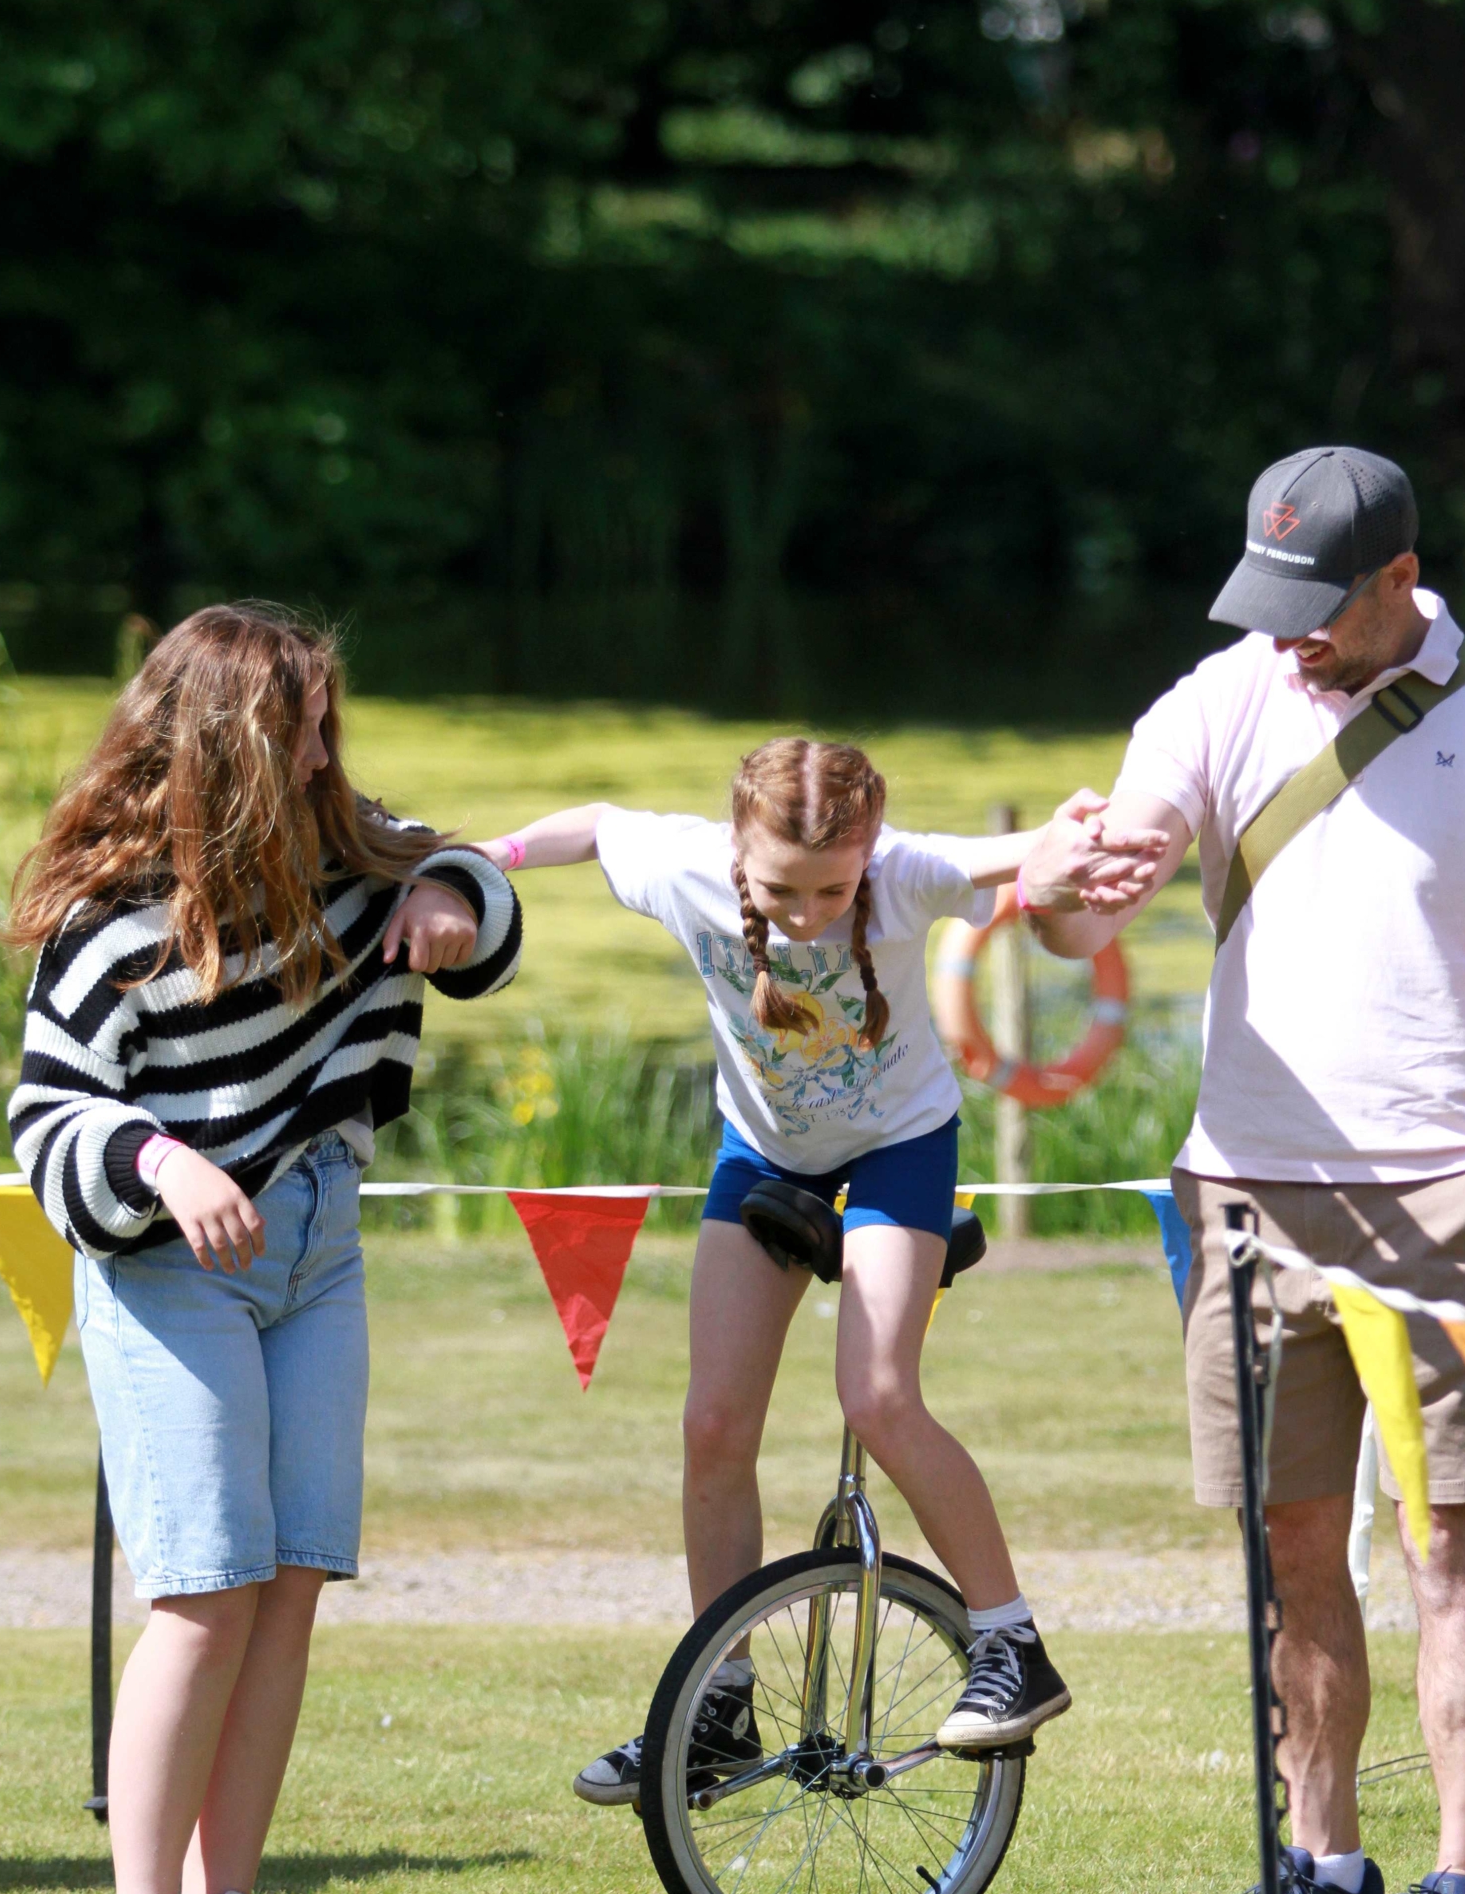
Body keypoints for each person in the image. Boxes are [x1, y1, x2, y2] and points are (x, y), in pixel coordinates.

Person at [1019, 444, 1465, 1894]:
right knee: (1287, 1542)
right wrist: (1049, 884)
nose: (1287, 633)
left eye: (1317, 604)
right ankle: (1319, 1875)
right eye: (1268, 599)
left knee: (1445, 1540)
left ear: (1399, 578)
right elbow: (1095, 894)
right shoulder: (1215, 694)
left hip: (1443, 1187)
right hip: (1242, 1186)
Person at [6, 604, 522, 1894]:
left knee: (290, 1578)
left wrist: (450, 898)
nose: (321, 751)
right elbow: (47, 1115)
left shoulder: (352, 856)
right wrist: (160, 1159)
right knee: (203, 1586)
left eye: (327, 723)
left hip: (317, 1247)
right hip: (171, 1268)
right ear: (234, 738)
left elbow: (479, 877)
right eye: (301, 724)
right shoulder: (111, 927)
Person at [478, 738, 1143, 1802]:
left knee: (878, 1394)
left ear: (869, 856)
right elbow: (597, 821)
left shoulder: (903, 873)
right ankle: (720, 1708)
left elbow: (1023, 854)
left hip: (898, 1147)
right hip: (764, 1151)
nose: (805, 913)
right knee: (711, 1425)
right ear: (736, 850)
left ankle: (1014, 1646)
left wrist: (1078, 847)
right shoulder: (687, 865)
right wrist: (488, 855)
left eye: (832, 890)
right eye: (781, 888)